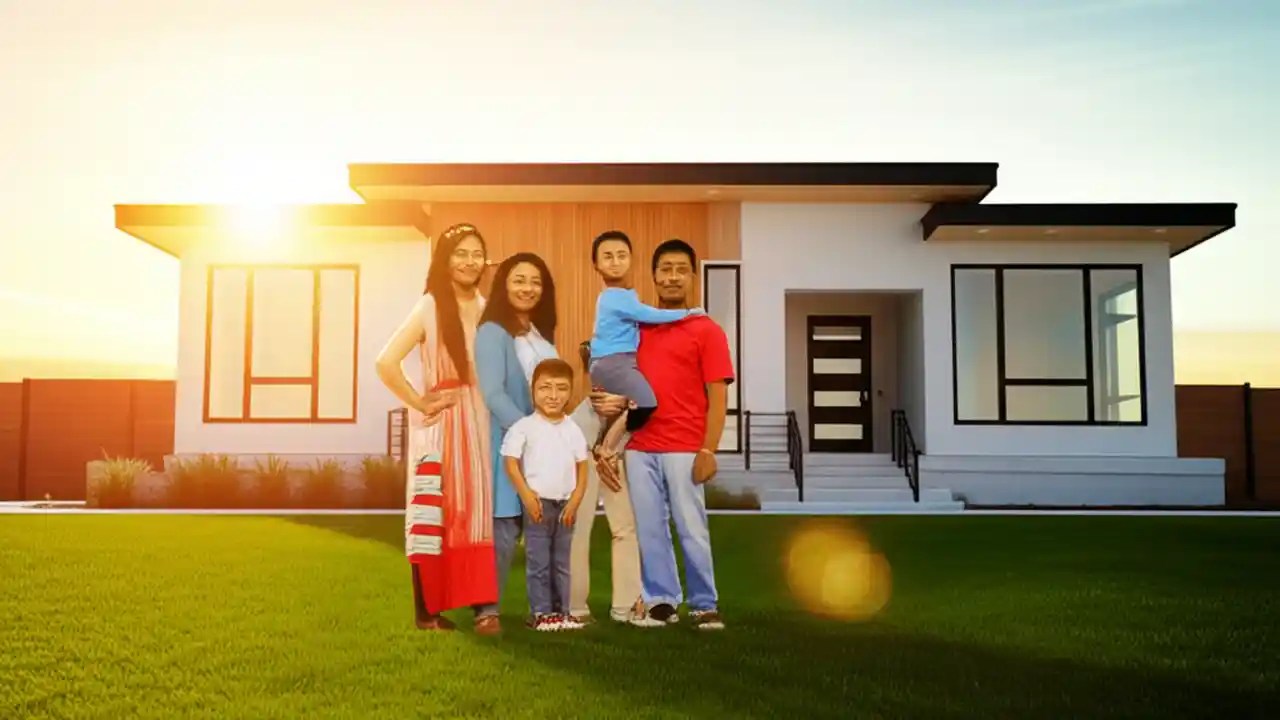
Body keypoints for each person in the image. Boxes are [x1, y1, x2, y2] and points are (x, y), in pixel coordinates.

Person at [374, 222, 498, 634]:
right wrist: (419, 400)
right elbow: (385, 362)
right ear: (445, 260)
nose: (469, 261)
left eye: (476, 253)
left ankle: (481, 608)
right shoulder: (429, 305)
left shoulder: (486, 307)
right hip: (442, 423)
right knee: (433, 512)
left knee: (475, 514)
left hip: (479, 423)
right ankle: (426, 614)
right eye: (460, 253)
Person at [624, 238, 733, 631]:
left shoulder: (707, 330)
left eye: (681, 270)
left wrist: (709, 449)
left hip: (685, 446)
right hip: (638, 446)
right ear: (654, 276)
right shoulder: (637, 328)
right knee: (650, 528)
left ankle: (705, 605)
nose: (672, 277)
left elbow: (717, 395)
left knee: (691, 527)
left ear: (692, 277)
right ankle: (661, 602)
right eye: (665, 269)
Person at [474, 253, 559, 633]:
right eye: (519, 280)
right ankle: (486, 611)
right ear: (503, 285)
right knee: (505, 528)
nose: (528, 288)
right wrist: (531, 434)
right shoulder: (492, 332)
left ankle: (545, 610)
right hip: (511, 442)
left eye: (536, 281)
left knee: (543, 530)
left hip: (546, 446)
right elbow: (493, 394)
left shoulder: (539, 334)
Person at [586, 230, 702, 466]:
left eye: (621, 255)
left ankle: (605, 445)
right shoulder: (614, 297)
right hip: (615, 361)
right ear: (596, 264)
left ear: (631, 259)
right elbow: (647, 314)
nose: (615, 262)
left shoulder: (623, 295)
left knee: (626, 406)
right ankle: (607, 448)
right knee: (646, 403)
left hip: (612, 361)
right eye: (608, 256)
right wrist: (688, 314)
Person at [500, 358, 590, 631]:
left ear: (571, 391)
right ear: (533, 390)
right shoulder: (524, 427)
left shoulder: (573, 429)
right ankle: (541, 613)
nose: (553, 395)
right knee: (539, 561)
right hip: (538, 505)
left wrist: (575, 501)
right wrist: (527, 495)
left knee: (561, 562)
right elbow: (510, 462)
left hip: (566, 507)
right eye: (545, 388)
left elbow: (582, 467)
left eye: (561, 388)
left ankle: (562, 613)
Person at [568, 340, 645, 625]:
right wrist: (596, 453)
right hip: (582, 453)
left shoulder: (637, 396)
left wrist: (611, 452)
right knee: (578, 528)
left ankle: (625, 606)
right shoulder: (586, 410)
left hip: (618, 456)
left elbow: (635, 416)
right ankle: (575, 606)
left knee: (625, 528)